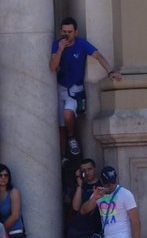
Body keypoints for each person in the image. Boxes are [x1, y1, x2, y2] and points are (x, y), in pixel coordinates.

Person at [51, 19, 121, 159]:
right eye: (64, 32)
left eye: (69, 32)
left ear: (75, 32)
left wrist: (110, 71)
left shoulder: (81, 44)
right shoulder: (56, 45)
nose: (67, 35)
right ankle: (64, 156)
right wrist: (60, 49)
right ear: (60, 31)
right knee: (60, 126)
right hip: (60, 88)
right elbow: (53, 67)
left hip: (75, 89)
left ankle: (72, 137)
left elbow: (98, 56)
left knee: (68, 114)